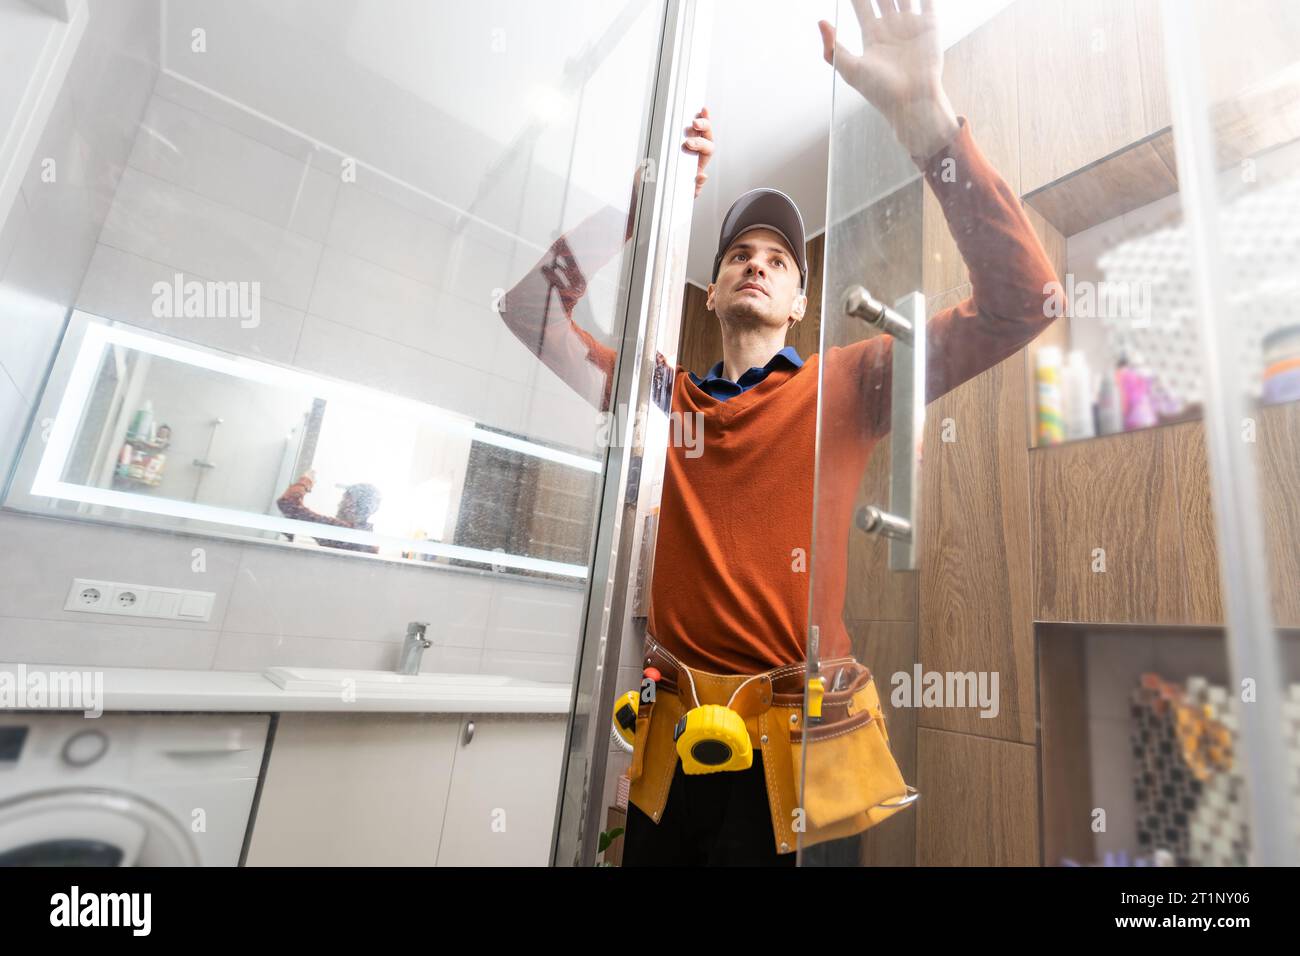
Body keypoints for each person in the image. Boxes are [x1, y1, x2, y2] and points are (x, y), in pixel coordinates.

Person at [498, 1, 1059, 865]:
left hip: (798, 758)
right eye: (735, 256)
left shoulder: (851, 381)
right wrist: (639, 217)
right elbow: (530, 312)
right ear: (714, 292)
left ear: (800, 301)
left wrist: (930, 128)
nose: (755, 262)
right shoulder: (665, 394)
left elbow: (1028, 303)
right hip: (669, 749)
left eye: (779, 259)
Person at [276, 470, 382, 554]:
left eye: (344, 499)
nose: (339, 504)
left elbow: (288, 504)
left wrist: (306, 481)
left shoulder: (344, 532)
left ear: (353, 505)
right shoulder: (366, 541)